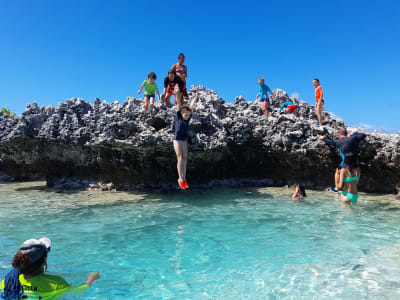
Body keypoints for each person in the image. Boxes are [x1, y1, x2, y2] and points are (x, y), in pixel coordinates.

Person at [1, 238, 100, 300]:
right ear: (44, 261)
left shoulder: (8, 281)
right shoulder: (55, 283)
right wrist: (91, 278)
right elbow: (79, 290)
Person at [319, 128, 366, 192]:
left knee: (338, 171)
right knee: (356, 171)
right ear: (346, 134)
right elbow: (363, 135)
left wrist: (323, 138)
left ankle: (336, 188)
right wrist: (354, 133)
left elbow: (329, 142)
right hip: (356, 161)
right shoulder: (352, 138)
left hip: (346, 161)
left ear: (339, 134)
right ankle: (353, 187)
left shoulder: (338, 141)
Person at [173, 89, 199, 189]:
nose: (187, 117)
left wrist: (196, 97)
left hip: (184, 140)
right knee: (180, 158)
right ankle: (180, 179)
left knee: (185, 159)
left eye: (189, 115)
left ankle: (184, 178)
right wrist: (177, 93)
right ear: (182, 113)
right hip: (177, 139)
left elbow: (192, 106)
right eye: (186, 115)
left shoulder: (188, 117)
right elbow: (179, 103)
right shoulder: (179, 116)